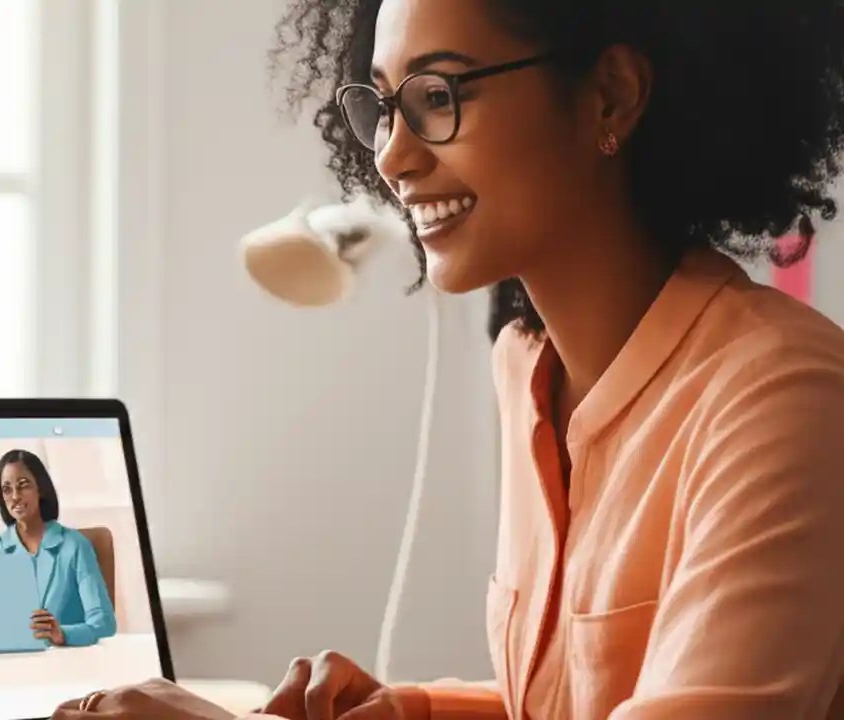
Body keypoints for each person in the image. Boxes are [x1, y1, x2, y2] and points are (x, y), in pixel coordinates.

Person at [52, 0, 844, 718]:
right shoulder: (525, 367)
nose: (392, 158)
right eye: (384, 106)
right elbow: (573, 701)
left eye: (437, 96)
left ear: (611, 96)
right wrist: (412, 709)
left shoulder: (784, 399)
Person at [0, 449, 116, 648]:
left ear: (41, 489)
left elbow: (104, 624)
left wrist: (62, 634)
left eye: (23, 485)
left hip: (68, 659)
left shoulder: (75, 546)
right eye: (7, 490)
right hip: (12, 658)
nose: (15, 496)